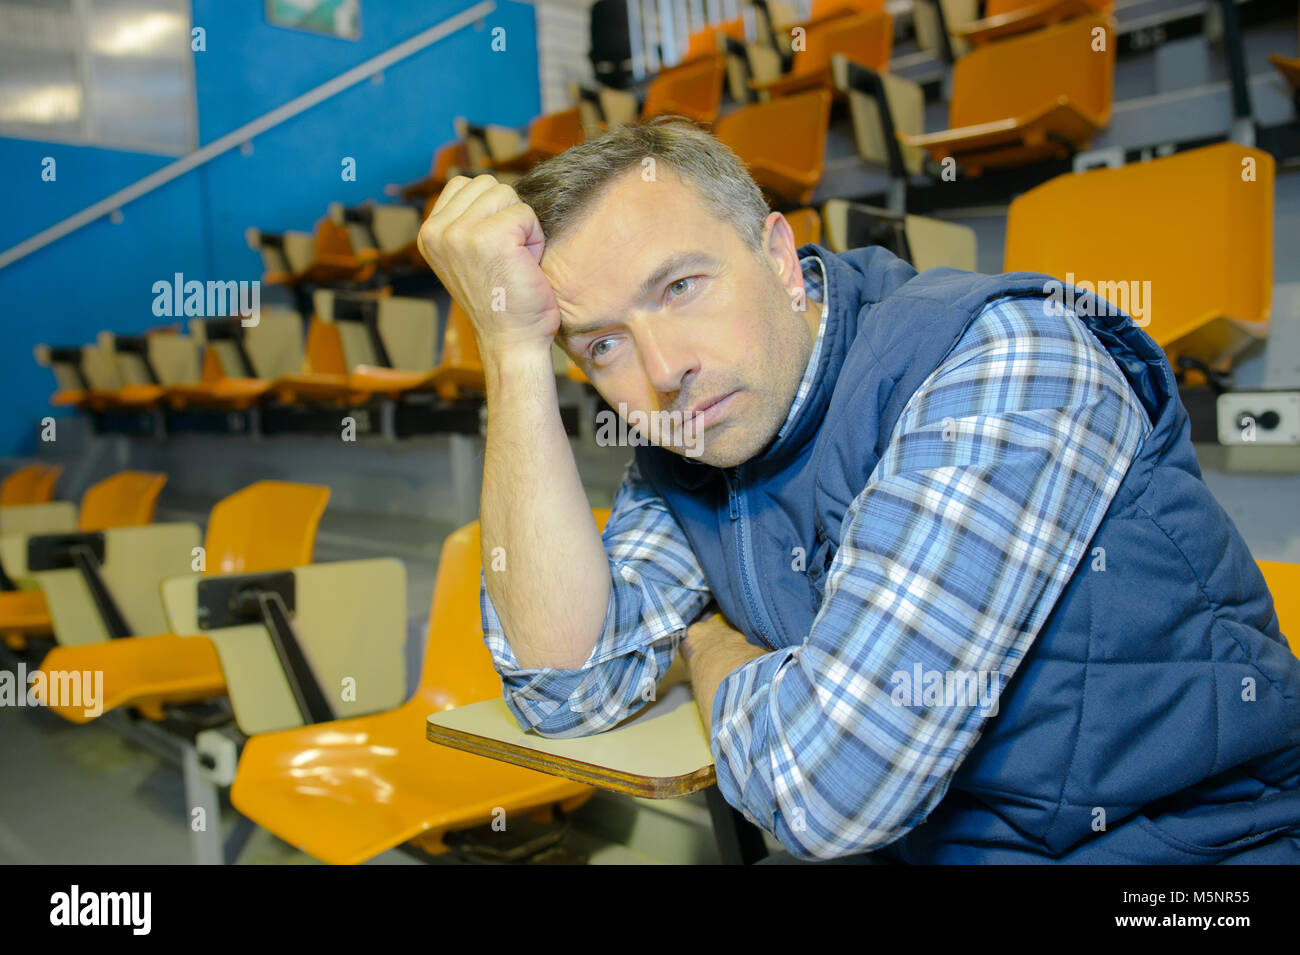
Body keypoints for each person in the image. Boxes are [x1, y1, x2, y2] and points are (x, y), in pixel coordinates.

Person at [417, 117, 1300, 863]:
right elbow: (567, 689)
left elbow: (830, 791)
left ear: (778, 255)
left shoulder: (1002, 361)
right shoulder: (698, 433)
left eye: (681, 287)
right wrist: (512, 350)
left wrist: (707, 645)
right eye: (602, 344)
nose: (662, 368)